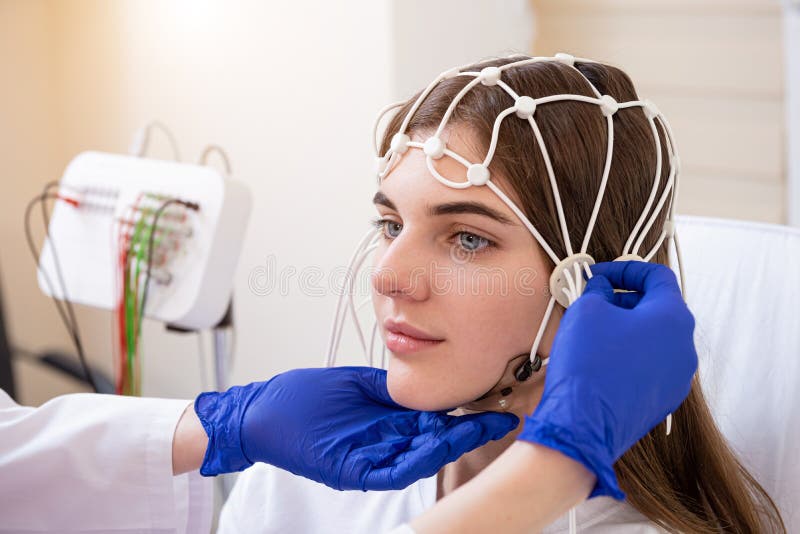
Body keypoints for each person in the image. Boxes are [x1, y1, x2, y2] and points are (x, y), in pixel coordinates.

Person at [218, 56, 786, 533]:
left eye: (467, 238)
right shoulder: (293, 487)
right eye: (391, 225)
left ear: (594, 286)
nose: (388, 277)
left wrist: (554, 469)